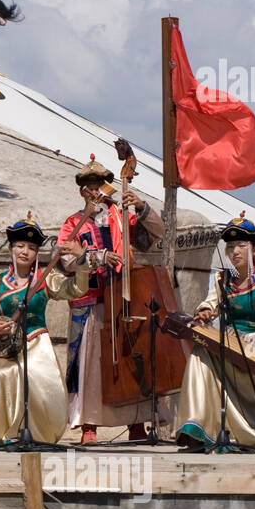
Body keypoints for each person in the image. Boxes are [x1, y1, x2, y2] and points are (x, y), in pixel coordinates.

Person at [57, 155, 165, 444]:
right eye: (90, 188)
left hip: (124, 297)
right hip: (91, 301)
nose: (96, 192)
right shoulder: (73, 223)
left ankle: (136, 423)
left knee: (130, 358)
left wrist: (142, 207)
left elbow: (156, 234)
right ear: (82, 192)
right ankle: (89, 423)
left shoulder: (122, 216)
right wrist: (97, 257)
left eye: (101, 186)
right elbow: (66, 259)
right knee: (89, 363)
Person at [175, 215, 255, 451]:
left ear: (253, 249)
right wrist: (204, 313)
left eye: (241, 246)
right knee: (202, 349)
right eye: (230, 247)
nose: (235, 252)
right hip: (230, 345)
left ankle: (252, 432)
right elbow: (209, 305)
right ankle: (198, 425)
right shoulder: (223, 281)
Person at [0, 216, 89, 446]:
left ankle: (37, 434)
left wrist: (81, 258)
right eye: (20, 246)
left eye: (32, 248)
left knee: (39, 382)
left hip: (37, 343)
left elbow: (76, 289)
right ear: (11, 248)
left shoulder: (47, 279)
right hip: (6, 348)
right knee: (0, 372)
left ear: (37, 253)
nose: (25, 251)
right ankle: (1, 434)